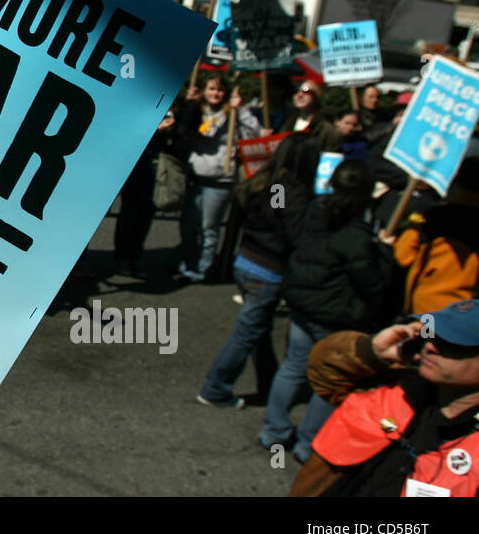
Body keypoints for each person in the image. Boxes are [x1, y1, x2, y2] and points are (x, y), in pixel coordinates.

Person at [262, 159, 390, 461]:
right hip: (333, 313)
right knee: (331, 377)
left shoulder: (317, 210)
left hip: (302, 301)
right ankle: (308, 445)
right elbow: (372, 282)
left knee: (293, 366)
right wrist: (384, 251)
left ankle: (273, 432)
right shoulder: (356, 234)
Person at [290, 298, 479, 496]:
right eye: (432, 335)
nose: (430, 347)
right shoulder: (400, 386)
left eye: (453, 343)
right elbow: (325, 373)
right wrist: (372, 352)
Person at [197, 132, 322, 408]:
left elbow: (272, 214)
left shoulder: (265, 181)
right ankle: (215, 388)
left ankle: (270, 382)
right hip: (266, 270)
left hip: (246, 262)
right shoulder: (289, 190)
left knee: (258, 330)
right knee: (247, 333)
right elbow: (290, 230)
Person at [172, 76, 262, 282]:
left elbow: (256, 132)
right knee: (188, 224)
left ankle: (202, 269)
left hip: (219, 179)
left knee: (208, 227)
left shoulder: (233, 113)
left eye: (220, 90)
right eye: (211, 89)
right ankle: (188, 262)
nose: (215, 93)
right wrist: (188, 102)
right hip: (195, 175)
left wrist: (240, 110)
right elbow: (182, 128)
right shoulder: (197, 110)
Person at [386, 157, 479, 316]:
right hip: (467, 317)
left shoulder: (432, 217)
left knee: (427, 340)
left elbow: (403, 256)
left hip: (427, 312)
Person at [114, 109, 176, 278]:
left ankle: (136, 254)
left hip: (160, 171)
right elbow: (131, 134)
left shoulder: (178, 111)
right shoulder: (147, 105)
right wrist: (156, 130)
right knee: (130, 214)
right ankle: (123, 256)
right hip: (137, 168)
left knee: (146, 215)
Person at [278, 80, 342, 151]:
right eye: (295, 91)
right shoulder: (287, 123)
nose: (299, 95)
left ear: (317, 96)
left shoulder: (326, 128)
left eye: (306, 91)